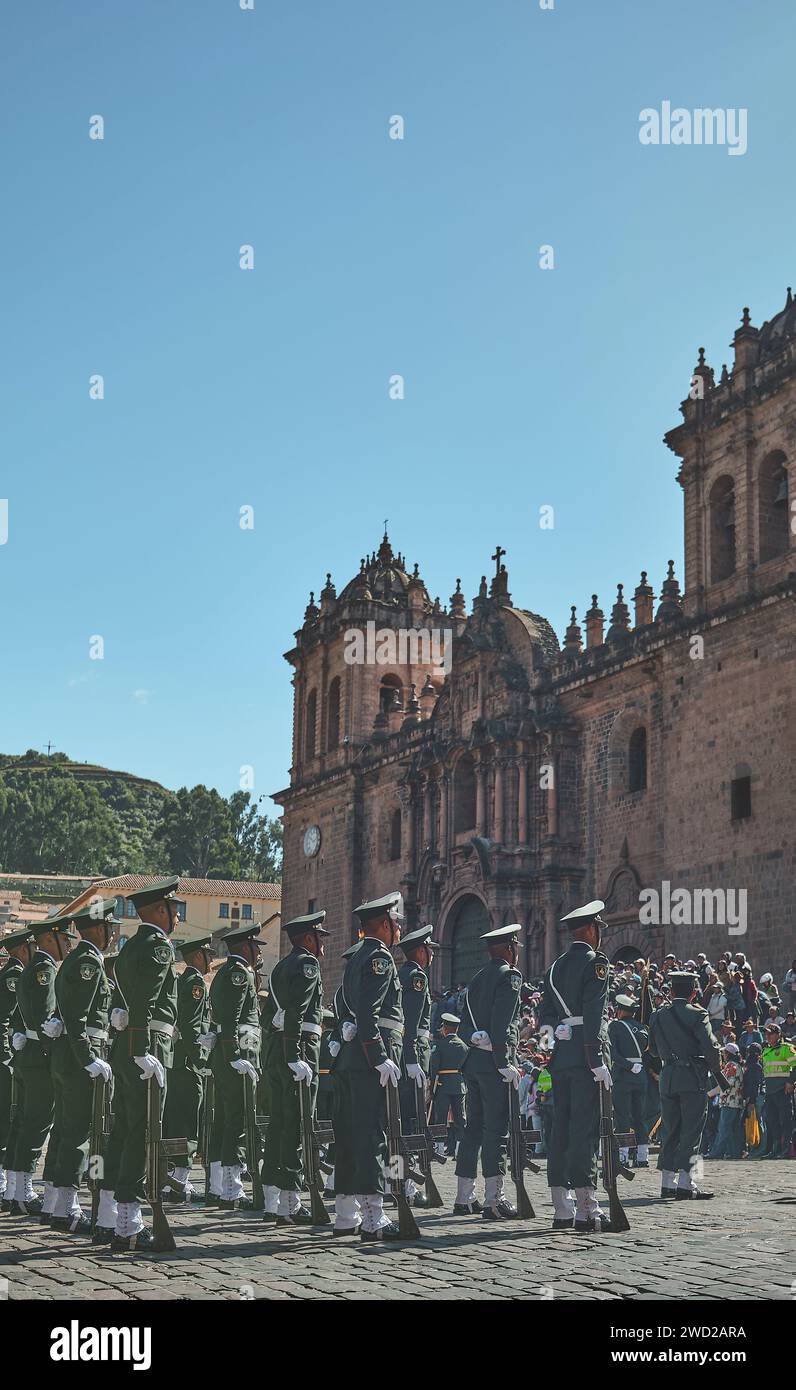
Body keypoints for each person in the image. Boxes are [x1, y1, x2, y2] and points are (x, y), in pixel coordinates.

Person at [100, 877, 180, 1251]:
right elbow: (146, 1003)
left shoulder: (132, 946)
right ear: (161, 911)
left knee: (127, 1131)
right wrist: (141, 1049)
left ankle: (119, 1221)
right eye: (174, 909)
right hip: (146, 1048)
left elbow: (127, 1001)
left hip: (129, 1047)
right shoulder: (158, 947)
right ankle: (129, 1227)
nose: (177, 917)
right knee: (143, 1134)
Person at [333, 891, 406, 1242]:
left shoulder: (357, 958)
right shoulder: (380, 958)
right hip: (370, 1061)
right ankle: (374, 1217)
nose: (399, 928)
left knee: (350, 1136)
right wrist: (379, 1058)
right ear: (383, 924)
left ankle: (347, 1214)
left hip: (351, 1060)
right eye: (395, 922)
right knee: (376, 1136)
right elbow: (368, 1014)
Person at [538, 900, 612, 1231]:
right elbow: (594, 1014)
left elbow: (546, 1021)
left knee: (560, 1130)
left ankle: (561, 1207)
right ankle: (587, 1207)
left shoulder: (553, 968)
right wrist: (596, 1059)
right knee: (584, 1130)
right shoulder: (596, 963)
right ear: (592, 929)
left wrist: (549, 1053)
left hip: (560, 1060)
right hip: (585, 1060)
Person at [49, 898, 116, 1235]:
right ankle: (67, 1207)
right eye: (110, 928)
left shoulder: (76, 960)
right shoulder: (87, 962)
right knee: (83, 1133)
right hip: (81, 1059)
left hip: (69, 1057)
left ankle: (59, 1203)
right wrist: (89, 1058)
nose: (113, 935)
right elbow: (76, 1018)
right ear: (99, 929)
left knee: (69, 1129)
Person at [261, 910, 327, 1226]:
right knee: (297, 1125)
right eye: (318, 937)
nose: (321, 944)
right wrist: (294, 1056)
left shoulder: (280, 968)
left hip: (278, 1050)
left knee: (278, 1124)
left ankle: (272, 1198)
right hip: (299, 1050)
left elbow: (269, 1017)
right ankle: (290, 1201)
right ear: (308, 938)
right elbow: (298, 1013)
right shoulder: (307, 965)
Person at [455, 923, 524, 1222]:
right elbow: (502, 1023)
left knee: (473, 1129)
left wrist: (475, 1040)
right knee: (497, 1129)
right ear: (509, 948)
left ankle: (463, 1196)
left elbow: (464, 1026)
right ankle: (494, 1199)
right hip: (493, 1064)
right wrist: (502, 1061)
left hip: (473, 1063)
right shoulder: (509, 976)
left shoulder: (477, 977)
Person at [8, 917, 76, 1219]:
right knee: (37, 1126)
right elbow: (48, 1019)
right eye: (65, 939)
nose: (68, 945)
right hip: (41, 1058)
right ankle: (22, 1193)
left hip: (27, 1057)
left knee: (23, 1124)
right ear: (50, 939)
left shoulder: (30, 969)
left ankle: (14, 1189)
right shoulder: (45, 968)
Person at [648, 970, 723, 1200]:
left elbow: (650, 1048)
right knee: (692, 1130)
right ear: (693, 993)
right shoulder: (698, 1014)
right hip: (691, 1078)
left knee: (670, 1129)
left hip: (668, 1076)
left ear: (671, 991)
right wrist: (717, 1070)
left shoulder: (658, 1015)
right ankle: (686, 1183)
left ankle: (666, 1183)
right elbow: (710, 1047)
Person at [208, 921, 264, 1209]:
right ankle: (232, 1189)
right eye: (256, 946)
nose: (258, 952)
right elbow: (231, 1018)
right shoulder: (239, 974)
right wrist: (234, 1056)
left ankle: (218, 1185)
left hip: (231, 1053)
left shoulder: (224, 973)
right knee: (238, 1120)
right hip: (239, 1053)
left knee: (224, 1120)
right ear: (246, 946)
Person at [163, 935, 213, 1204]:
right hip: (187, 1063)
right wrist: (201, 1061)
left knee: (174, 1120)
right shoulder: (195, 982)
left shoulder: (183, 980)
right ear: (197, 957)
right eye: (208, 955)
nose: (210, 961)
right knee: (187, 1121)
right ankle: (179, 1180)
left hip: (176, 1063)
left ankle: (172, 1176)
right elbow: (192, 1027)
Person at [396, 924, 437, 1209]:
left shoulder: (401, 974)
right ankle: (407, 1186)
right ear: (421, 951)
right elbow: (410, 1023)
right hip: (413, 1055)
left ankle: (394, 1179)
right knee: (410, 1121)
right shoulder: (415, 977)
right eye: (430, 948)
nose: (432, 953)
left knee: (397, 1120)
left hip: (406, 1054)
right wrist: (412, 1059)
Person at [0, 926, 34, 1211]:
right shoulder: (15, 974)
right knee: (5, 1117)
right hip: (7, 1055)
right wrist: (7, 1053)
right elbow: (5, 1019)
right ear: (23, 949)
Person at [608, 994, 650, 1167]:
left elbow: (613, 1053)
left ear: (620, 1010)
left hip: (624, 1076)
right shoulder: (642, 1028)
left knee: (622, 1116)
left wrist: (627, 1066)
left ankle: (623, 1156)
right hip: (640, 1076)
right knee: (640, 1117)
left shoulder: (616, 1026)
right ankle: (642, 1156)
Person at [429, 1012, 467, 1161]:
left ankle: (439, 1150)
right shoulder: (464, 1046)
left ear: (445, 1028)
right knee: (460, 1119)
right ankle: (459, 1151)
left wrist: (432, 1089)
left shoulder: (439, 1045)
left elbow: (434, 1068)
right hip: (459, 1084)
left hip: (442, 1084)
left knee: (441, 1118)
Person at [760, 1022, 796, 1158]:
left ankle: (786, 1149)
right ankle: (775, 1149)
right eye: (766, 1033)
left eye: (770, 1033)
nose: (767, 1036)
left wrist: (790, 1082)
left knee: (785, 1120)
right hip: (769, 1092)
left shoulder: (787, 1048)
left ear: (778, 1034)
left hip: (782, 1090)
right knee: (772, 1121)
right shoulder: (765, 1050)